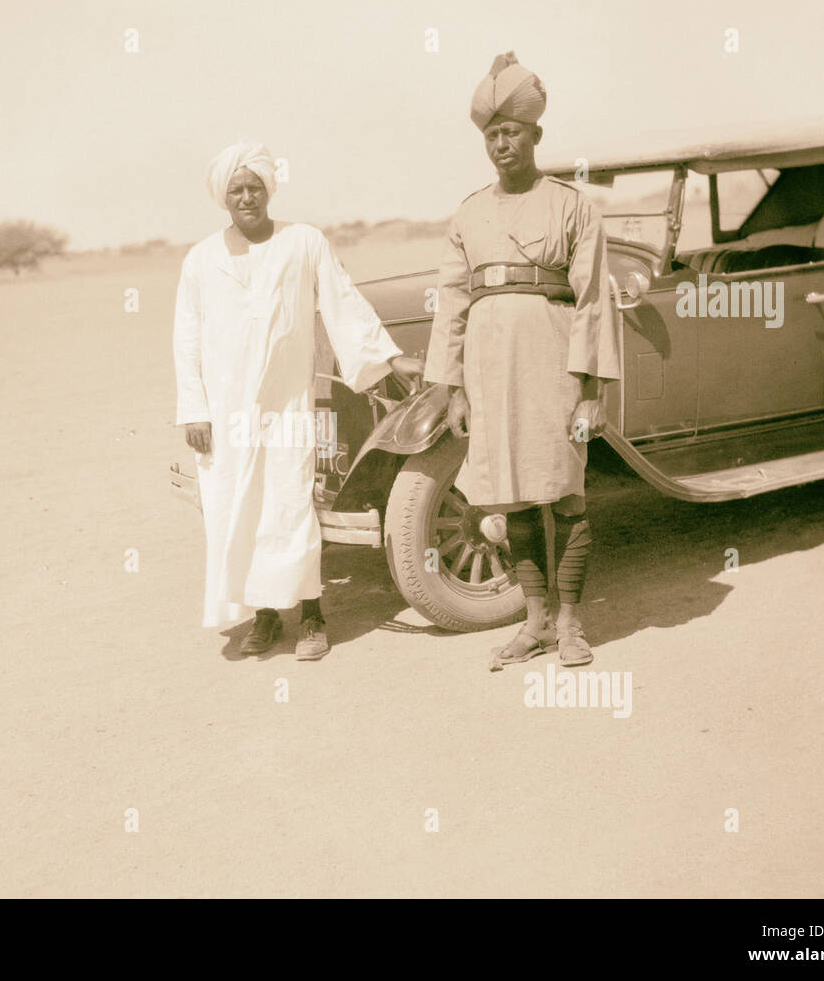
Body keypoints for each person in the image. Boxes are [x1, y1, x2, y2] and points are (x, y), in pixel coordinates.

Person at [174, 142, 423, 660]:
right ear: (223, 197)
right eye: (236, 190)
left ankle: (311, 615)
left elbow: (342, 301)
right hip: (225, 412)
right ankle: (264, 618)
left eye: (255, 187)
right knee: (236, 512)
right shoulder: (201, 260)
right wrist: (194, 409)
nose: (247, 197)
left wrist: (390, 359)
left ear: (269, 190)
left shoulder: (303, 242)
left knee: (289, 505)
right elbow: (187, 338)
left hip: (286, 406)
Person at [423, 52, 621, 671]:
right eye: (491, 135)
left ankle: (570, 623)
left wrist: (591, 389)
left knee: (562, 492)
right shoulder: (469, 212)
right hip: (487, 372)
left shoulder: (573, 205)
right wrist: (452, 387)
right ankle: (533, 622)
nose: (501, 144)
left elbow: (592, 299)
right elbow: (453, 302)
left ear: (536, 135)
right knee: (510, 499)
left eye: (512, 132)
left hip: (553, 366)